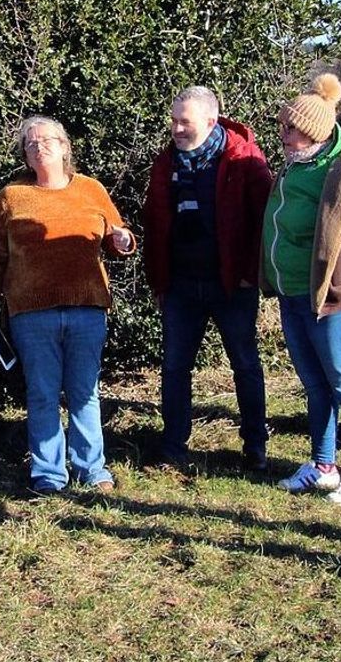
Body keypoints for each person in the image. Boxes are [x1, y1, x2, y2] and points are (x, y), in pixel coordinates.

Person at [0, 116, 135, 493]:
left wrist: (123, 241)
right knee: (43, 393)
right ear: (25, 155)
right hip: (31, 313)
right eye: (30, 143)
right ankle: (48, 474)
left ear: (65, 147)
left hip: (87, 307)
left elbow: (117, 238)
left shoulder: (92, 190)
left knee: (85, 393)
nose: (39, 146)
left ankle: (92, 470)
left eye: (47, 140)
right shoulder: (11, 196)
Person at [261, 74, 341, 507]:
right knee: (314, 383)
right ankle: (323, 465)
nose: (284, 135)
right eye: (283, 127)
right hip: (292, 292)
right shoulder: (295, 166)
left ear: (314, 130)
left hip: (330, 298)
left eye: (291, 128)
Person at [141, 86, 273, 471]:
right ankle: (173, 448)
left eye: (185, 121)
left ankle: (255, 446)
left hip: (231, 283)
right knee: (174, 366)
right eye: (174, 120)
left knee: (245, 363)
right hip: (182, 284)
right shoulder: (166, 163)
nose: (176, 128)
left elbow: (262, 218)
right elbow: (155, 222)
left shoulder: (243, 159)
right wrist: (159, 281)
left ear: (211, 122)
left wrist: (251, 273)